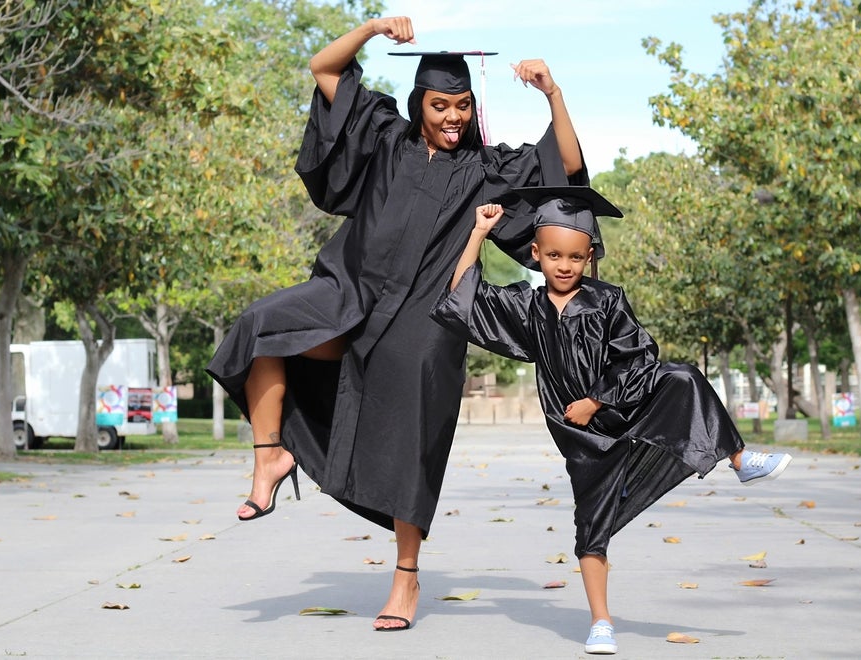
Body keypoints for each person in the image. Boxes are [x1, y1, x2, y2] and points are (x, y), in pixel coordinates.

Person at [205, 16, 587, 632]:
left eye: (462, 106)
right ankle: (270, 456)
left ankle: (405, 577)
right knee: (261, 325)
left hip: (428, 315)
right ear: (419, 103)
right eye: (440, 105)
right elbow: (325, 68)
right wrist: (372, 27)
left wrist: (553, 93)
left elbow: (563, 168)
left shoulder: (487, 168)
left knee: (414, 427)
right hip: (349, 292)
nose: (453, 117)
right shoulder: (384, 137)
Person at [431, 188, 792, 655]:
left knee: (681, 377)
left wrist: (597, 400)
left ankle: (740, 459)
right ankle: (601, 622)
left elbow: (641, 357)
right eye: (555, 255)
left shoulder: (607, 300)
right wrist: (479, 231)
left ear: (590, 256)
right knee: (590, 527)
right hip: (579, 434)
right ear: (536, 254)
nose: (565, 265)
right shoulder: (527, 308)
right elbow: (464, 299)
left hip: (621, 407)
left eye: (576, 257)